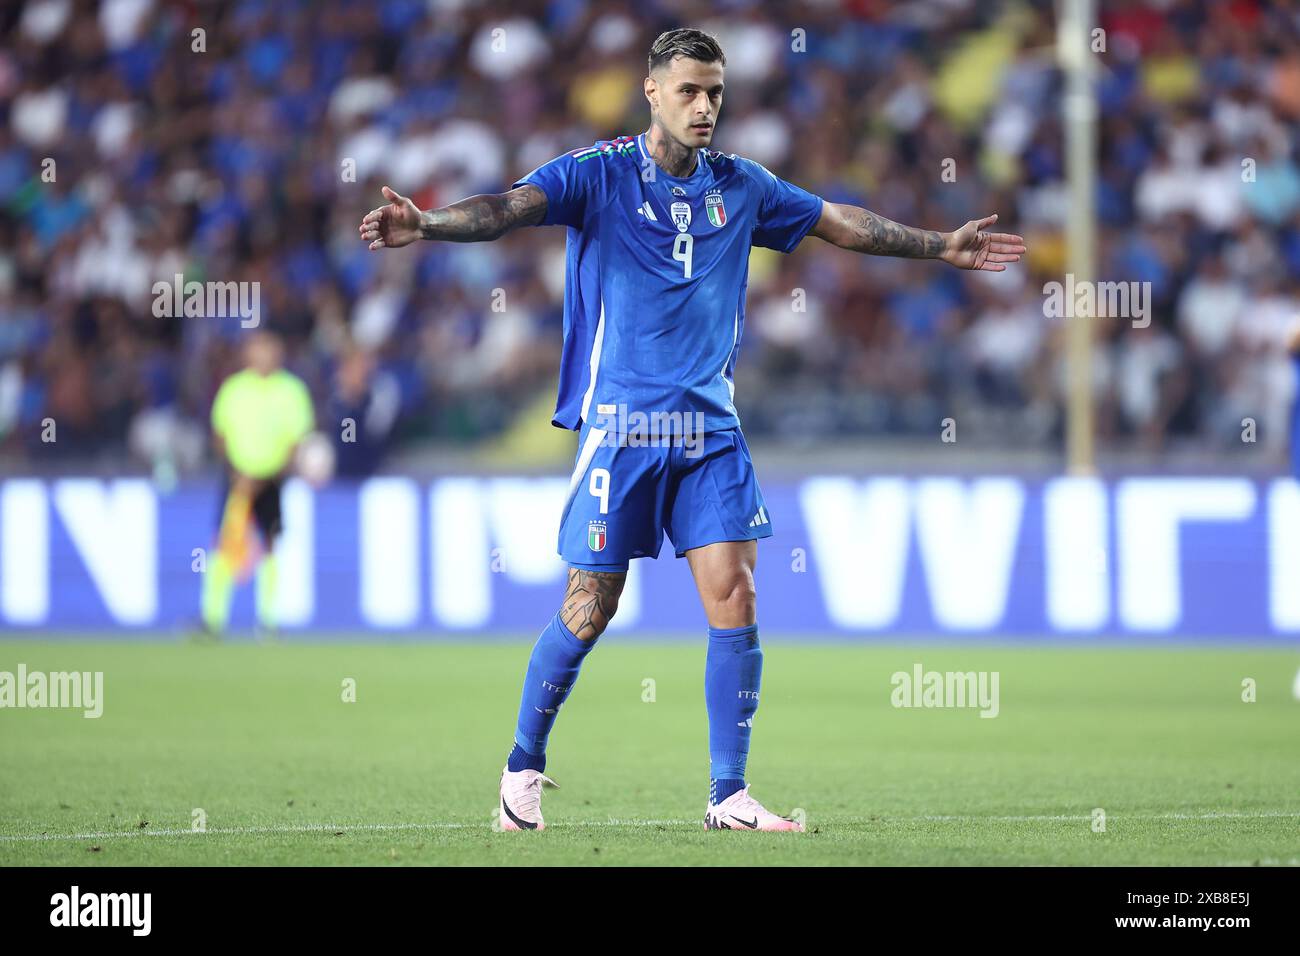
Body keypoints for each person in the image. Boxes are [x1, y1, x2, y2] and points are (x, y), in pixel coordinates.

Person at [358, 28, 1025, 831]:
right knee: (589, 609)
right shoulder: (596, 175)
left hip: (710, 431)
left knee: (735, 594)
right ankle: (521, 769)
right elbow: (505, 209)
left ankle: (728, 795)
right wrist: (428, 224)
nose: (705, 105)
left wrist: (940, 246)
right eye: (689, 91)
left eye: (715, 92)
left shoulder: (742, 186)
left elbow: (837, 222)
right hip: (622, 431)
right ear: (652, 92)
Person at [202, 329, 315, 639]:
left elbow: (297, 441)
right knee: (225, 544)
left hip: (272, 480)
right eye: (258, 350)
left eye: (270, 350)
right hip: (236, 479)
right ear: (248, 354)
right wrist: (238, 474)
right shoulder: (234, 389)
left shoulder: (292, 390)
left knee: (270, 544)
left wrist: (265, 477)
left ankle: (268, 620)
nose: (264, 356)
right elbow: (220, 434)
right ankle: (212, 618)